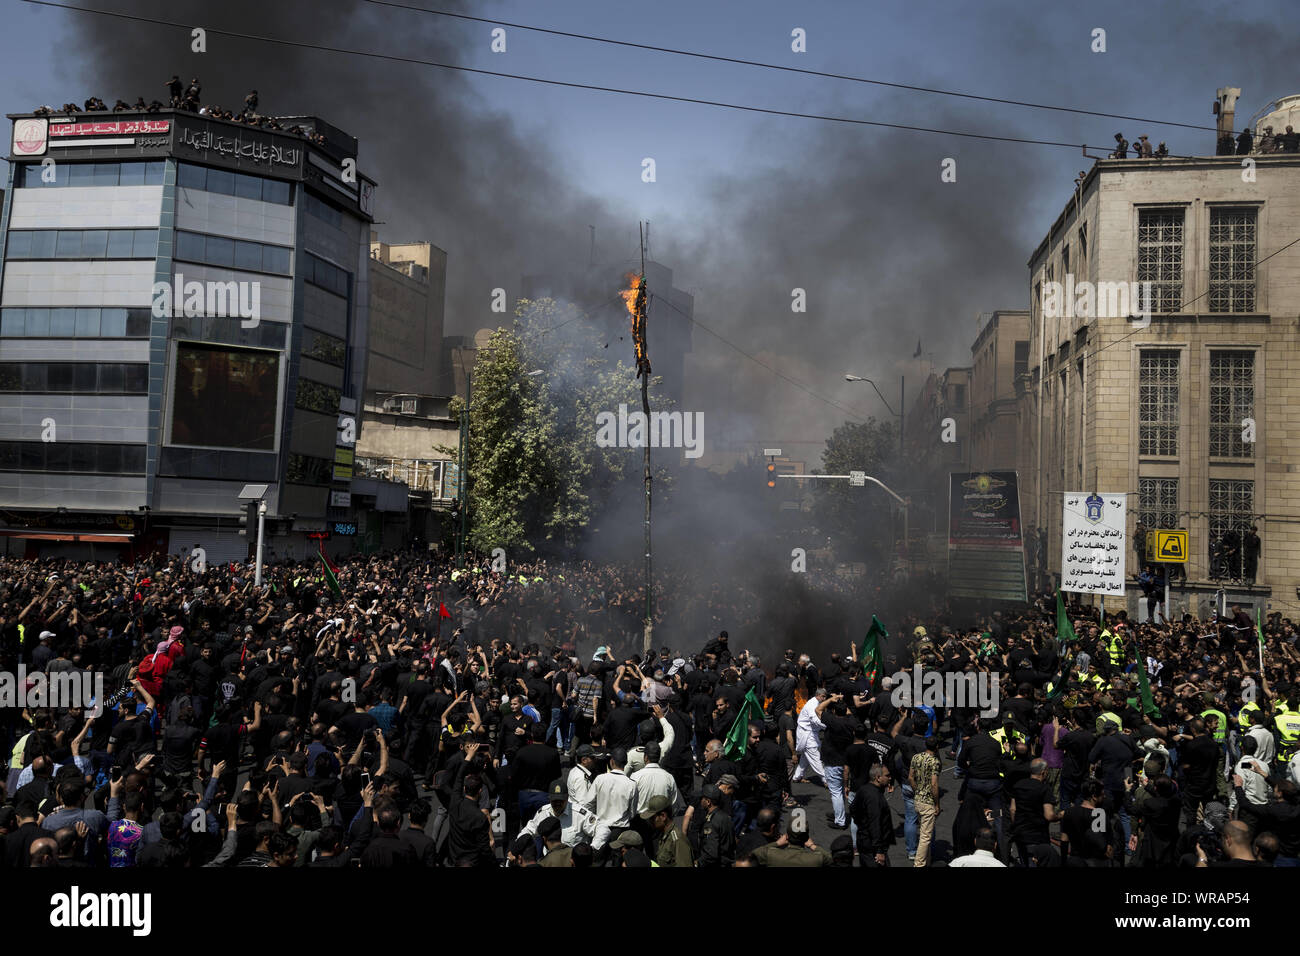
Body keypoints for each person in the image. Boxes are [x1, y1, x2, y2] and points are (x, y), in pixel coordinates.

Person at [851, 764, 895, 866]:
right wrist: (879, 850)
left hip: (863, 840)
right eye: (887, 776)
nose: (890, 778)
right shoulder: (875, 797)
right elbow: (875, 823)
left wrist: (862, 824)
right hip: (873, 847)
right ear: (878, 778)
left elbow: (853, 809)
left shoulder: (863, 789)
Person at [791, 688, 834, 786]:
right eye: (823, 696)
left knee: (805, 758)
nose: (824, 699)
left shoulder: (816, 703)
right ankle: (826, 780)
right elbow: (814, 720)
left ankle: (797, 777)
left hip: (810, 733)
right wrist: (827, 725)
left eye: (825, 697)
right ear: (818, 695)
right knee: (816, 759)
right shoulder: (812, 704)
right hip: (807, 734)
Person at [910, 735, 941, 867]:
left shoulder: (916, 757)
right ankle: (919, 864)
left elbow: (910, 777)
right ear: (937, 747)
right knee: (925, 836)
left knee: (923, 832)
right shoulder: (935, 762)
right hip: (928, 801)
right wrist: (937, 804)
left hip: (917, 798)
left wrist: (918, 790)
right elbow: (934, 785)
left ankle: (926, 861)